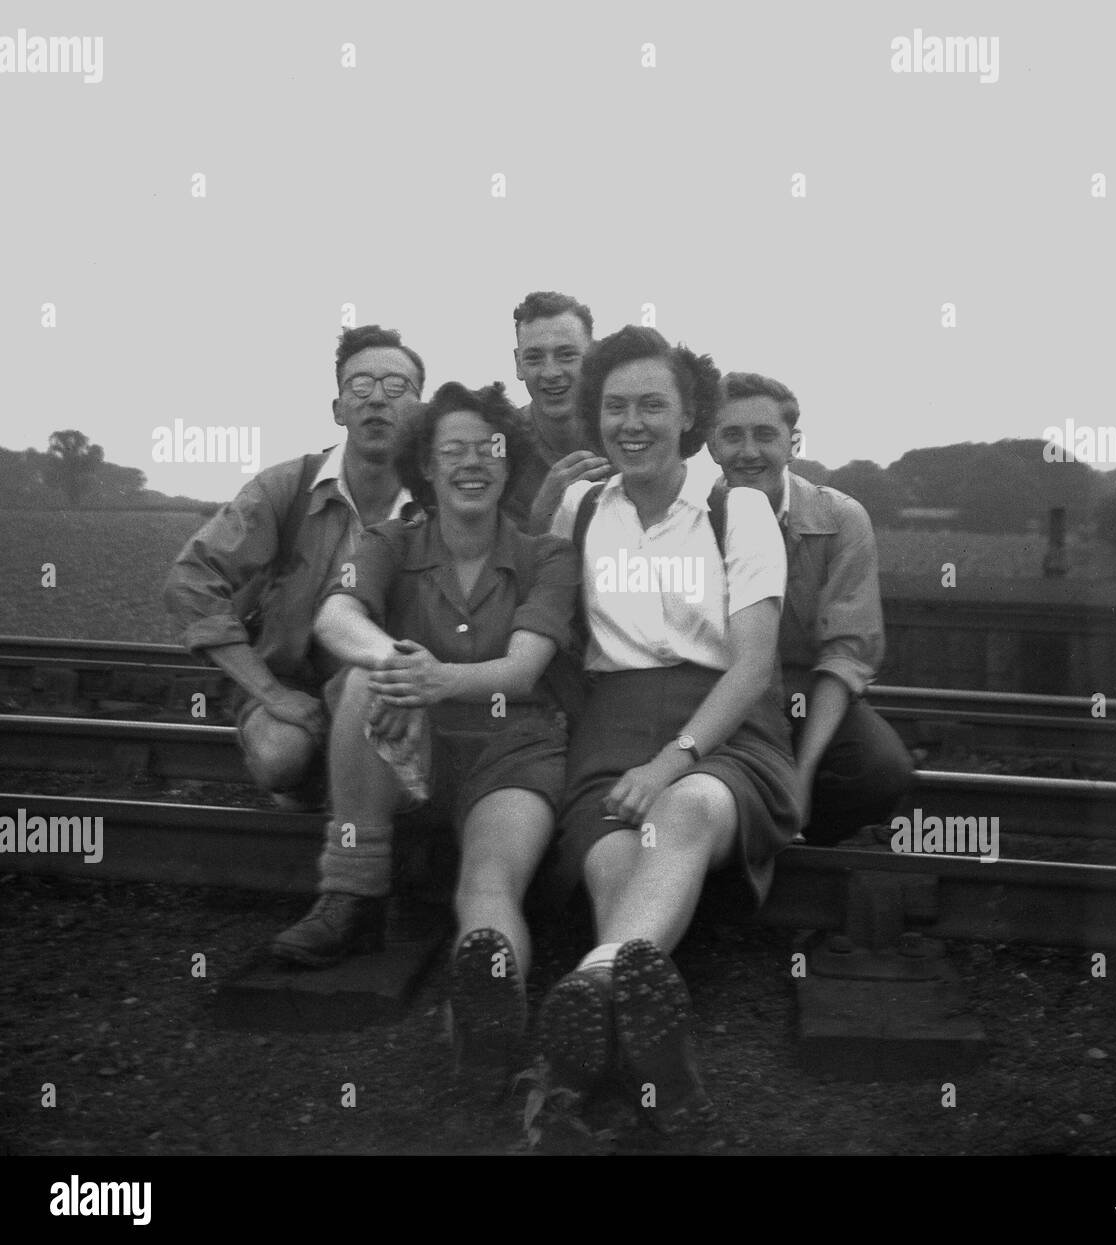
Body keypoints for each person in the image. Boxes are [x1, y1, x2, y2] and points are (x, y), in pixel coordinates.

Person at [271, 381, 579, 1062]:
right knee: (361, 677)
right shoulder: (390, 539)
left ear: (507, 461)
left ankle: (489, 1000)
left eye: (489, 448)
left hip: (515, 753)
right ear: (428, 467)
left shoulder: (546, 557)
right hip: (416, 754)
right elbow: (335, 617)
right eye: (453, 451)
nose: (472, 462)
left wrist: (434, 680)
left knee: (489, 881)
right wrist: (404, 673)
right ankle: (352, 895)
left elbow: (524, 668)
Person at [540, 327, 798, 1132]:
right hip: (609, 724)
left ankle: (578, 1019)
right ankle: (656, 1066)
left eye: (653, 404)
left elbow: (753, 664)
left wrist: (673, 758)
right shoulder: (579, 507)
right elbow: (542, 630)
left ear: (689, 414)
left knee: (680, 812)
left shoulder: (738, 507)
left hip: (721, 723)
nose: (632, 423)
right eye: (615, 406)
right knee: (619, 866)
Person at [163, 326, 425, 808]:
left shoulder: (433, 501)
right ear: (338, 409)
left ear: (419, 408)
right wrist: (270, 693)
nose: (376, 400)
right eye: (360, 386)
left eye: (396, 387)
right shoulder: (285, 487)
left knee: (417, 789)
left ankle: (357, 785)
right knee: (282, 757)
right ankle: (314, 779)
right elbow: (191, 580)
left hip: (390, 684)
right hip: (292, 682)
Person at [708, 373, 914, 842]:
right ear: (711, 447)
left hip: (805, 697)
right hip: (718, 695)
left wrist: (802, 775)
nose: (748, 452)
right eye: (732, 436)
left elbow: (844, 654)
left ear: (793, 443)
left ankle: (799, 861)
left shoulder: (841, 518)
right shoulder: (695, 516)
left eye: (765, 435)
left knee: (878, 769)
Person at [504, 290, 611, 533]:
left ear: (592, 356)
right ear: (518, 364)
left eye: (566, 355)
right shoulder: (500, 447)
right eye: (534, 358)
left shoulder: (624, 435)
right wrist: (544, 512)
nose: (551, 373)